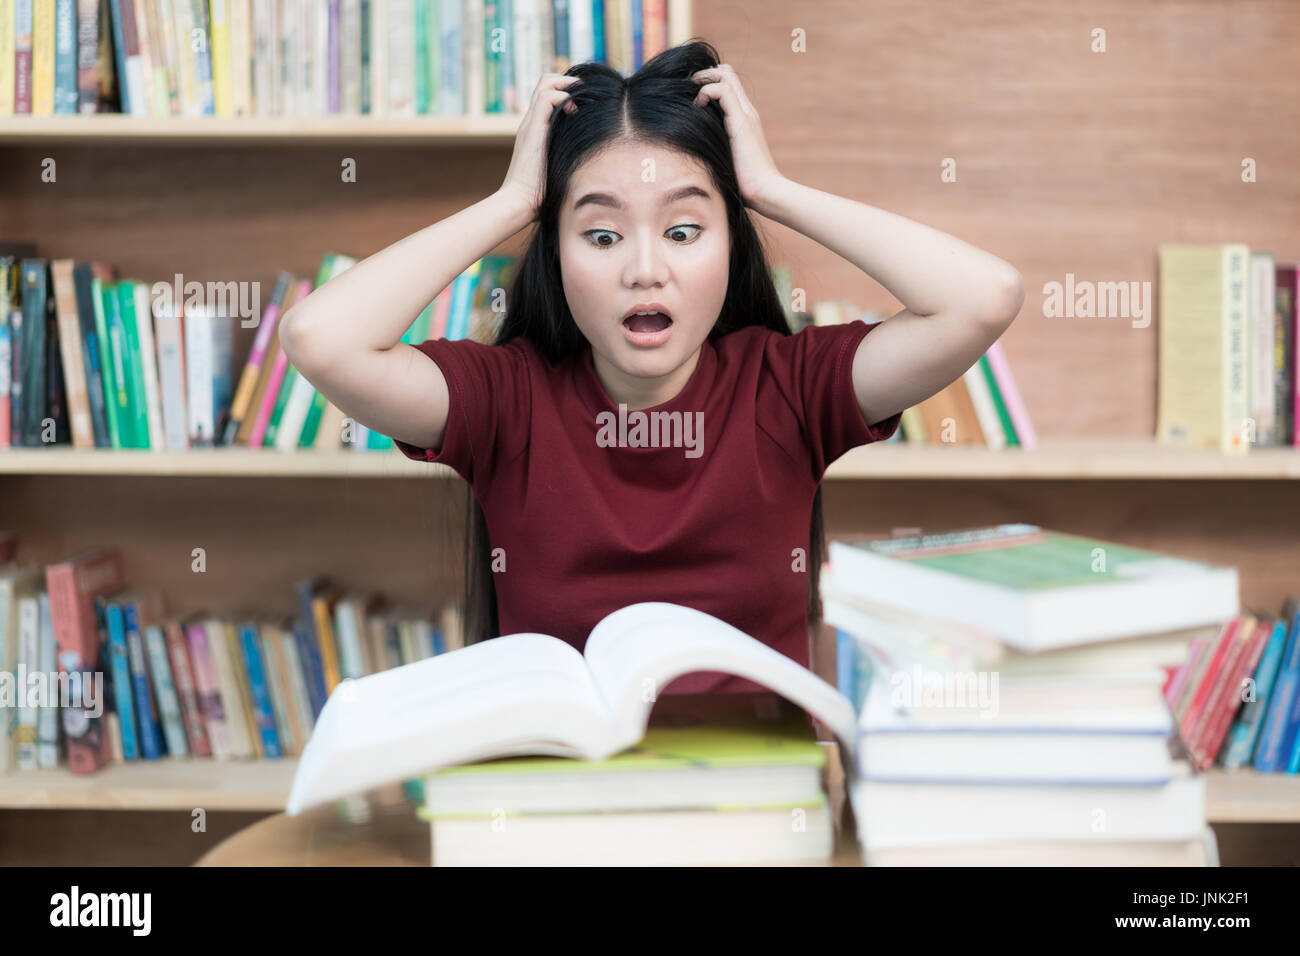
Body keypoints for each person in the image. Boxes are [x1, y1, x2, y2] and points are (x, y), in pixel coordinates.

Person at [279, 39, 1024, 695]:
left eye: (684, 229)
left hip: (760, 811)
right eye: (601, 235)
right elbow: (321, 337)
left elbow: (983, 298)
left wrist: (769, 191)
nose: (645, 269)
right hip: (567, 805)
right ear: (557, 254)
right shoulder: (507, 402)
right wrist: (514, 202)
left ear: (731, 245)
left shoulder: (788, 389)